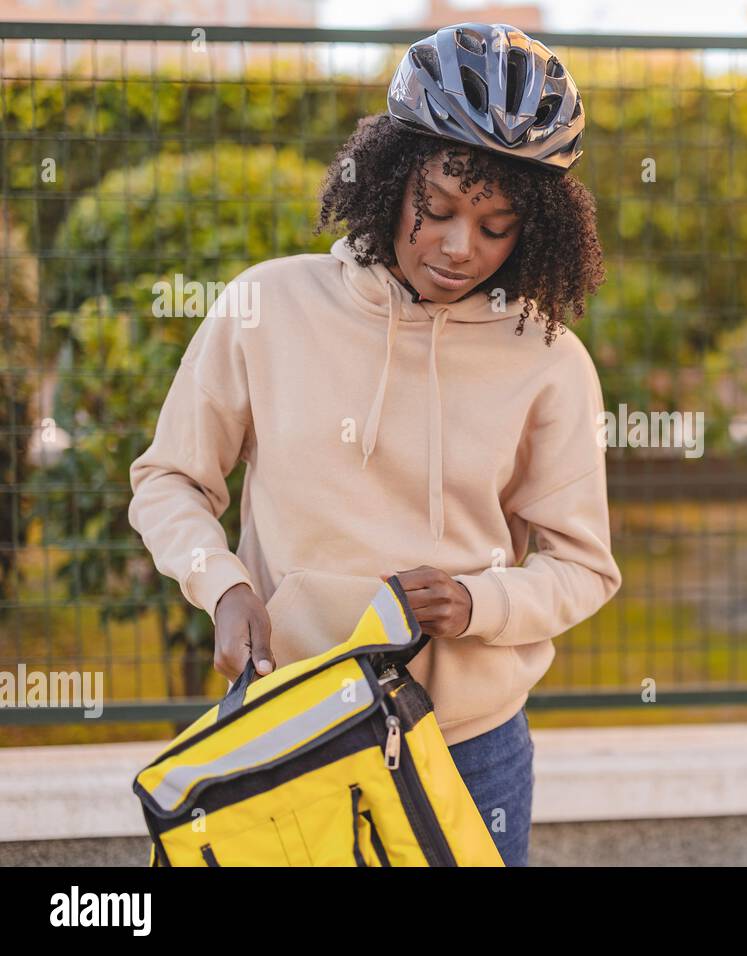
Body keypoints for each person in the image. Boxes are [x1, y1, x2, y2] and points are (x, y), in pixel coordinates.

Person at [126, 22, 619, 867]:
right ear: (391, 180)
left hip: (471, 746)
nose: (460, 248)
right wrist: (226, 589)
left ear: (536, 230)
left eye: (496, 226)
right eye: (436, 211)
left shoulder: (548, 361)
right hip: (295, 729)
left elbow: (584, 567)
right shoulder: (266, 307)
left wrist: (480, 604)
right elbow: (169, 480)